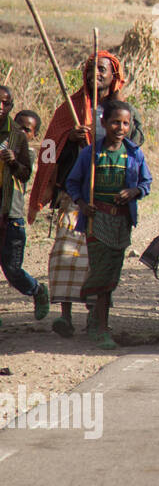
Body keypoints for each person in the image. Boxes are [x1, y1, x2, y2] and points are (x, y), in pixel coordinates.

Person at [31, 50, 142, 339]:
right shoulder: (70, 108)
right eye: (92, 68)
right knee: (67, 252)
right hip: (75, 194)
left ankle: (96, 317)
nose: (97, 74)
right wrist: (71, 139)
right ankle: (65, 317)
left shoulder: (123, 110)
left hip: (109, 197)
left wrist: (100, 138)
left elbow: (135, 145)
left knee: (101, 256)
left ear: (113, 75)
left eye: (103, 69)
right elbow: (48, 148)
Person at [66, 100, 152, 350]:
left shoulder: (134, 153)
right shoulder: (90, 153)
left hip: (121, 220)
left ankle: (96, 318)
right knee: (102, 272)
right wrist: (82, 203)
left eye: (126, 123)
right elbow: (73, 183)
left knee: (113, 271)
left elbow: (146, 183)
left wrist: (133, 191)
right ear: (103, 123)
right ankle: (101, 327)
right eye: (115, 122)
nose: (121, 127)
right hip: (97, 218)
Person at [0, 95, 48, 324]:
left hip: (13, 219)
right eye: (17, 125)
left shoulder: (26, 153)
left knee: (12, 270)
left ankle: (37, 290)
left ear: (33, 135)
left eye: (26, 130)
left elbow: (23, 173)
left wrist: (11, 160)